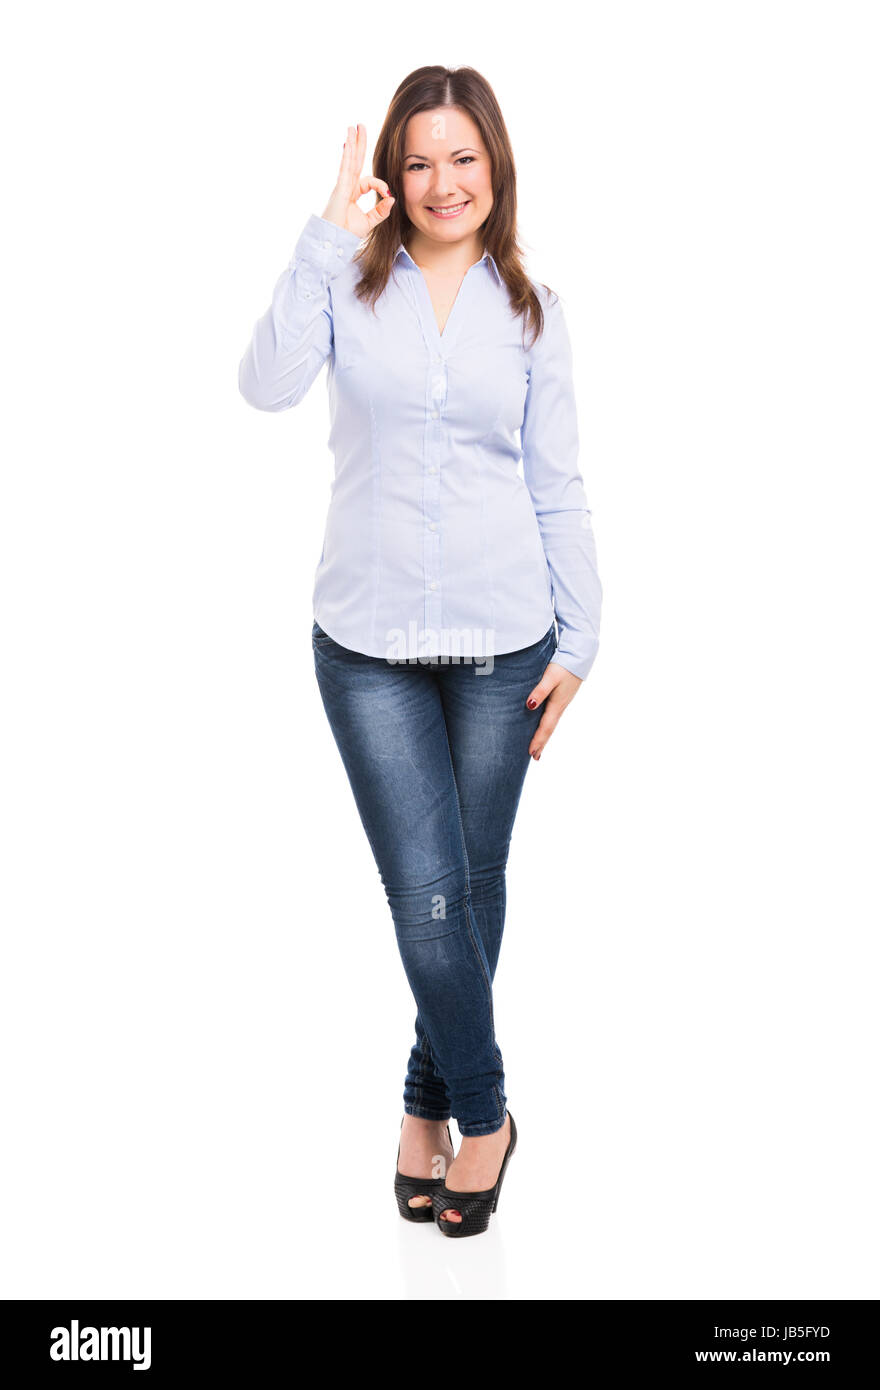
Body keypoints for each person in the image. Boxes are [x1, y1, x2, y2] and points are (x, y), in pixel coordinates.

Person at [238, 66, 602, 1237]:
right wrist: (318, 236)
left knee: (473, 888)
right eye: (419, 161)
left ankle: (419, 1108)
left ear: (493, 166)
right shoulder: (346, 284)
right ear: (391, 176)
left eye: (464, 158)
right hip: (369, 645)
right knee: (430, 898)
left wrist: (584, 638)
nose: (443, 182)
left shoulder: (535, 309)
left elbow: (560, 485)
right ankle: (487, 1118)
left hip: (505, 646)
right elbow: (263, 387)